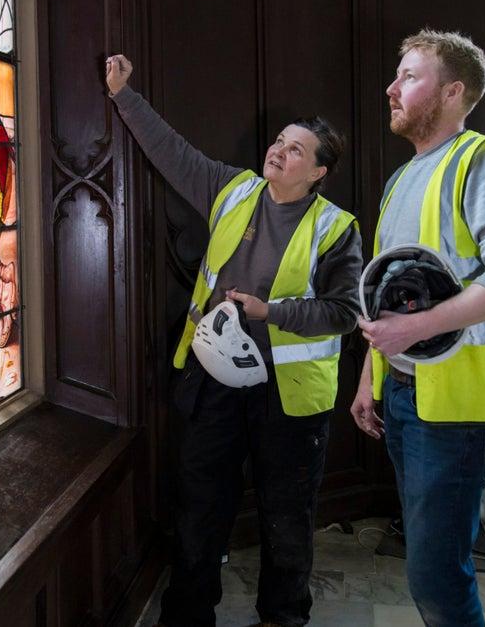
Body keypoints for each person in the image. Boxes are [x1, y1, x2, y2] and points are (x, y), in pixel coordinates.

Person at [105, 54, 362, 627]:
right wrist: (124, 95)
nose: (279, 152)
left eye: (296, 150)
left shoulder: (335, 228)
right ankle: (188, 617)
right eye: (279, 142)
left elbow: (345, 312)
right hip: (213, 379)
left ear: (318, 172)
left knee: (286, 517)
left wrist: (270, 312)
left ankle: (282, 618)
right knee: (199, 506)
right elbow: (172, 152)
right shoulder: (234, 190)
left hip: (287, 397)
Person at [350, 29, 485, 626]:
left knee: (435, 575)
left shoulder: (484, 162)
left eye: (410, 77)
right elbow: (388, 294)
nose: (391, 88)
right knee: (429, 563)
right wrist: (371, 376)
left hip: (461, 401)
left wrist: (417, 330)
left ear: (453, 92)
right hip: (405, 390)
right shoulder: (401, 178)